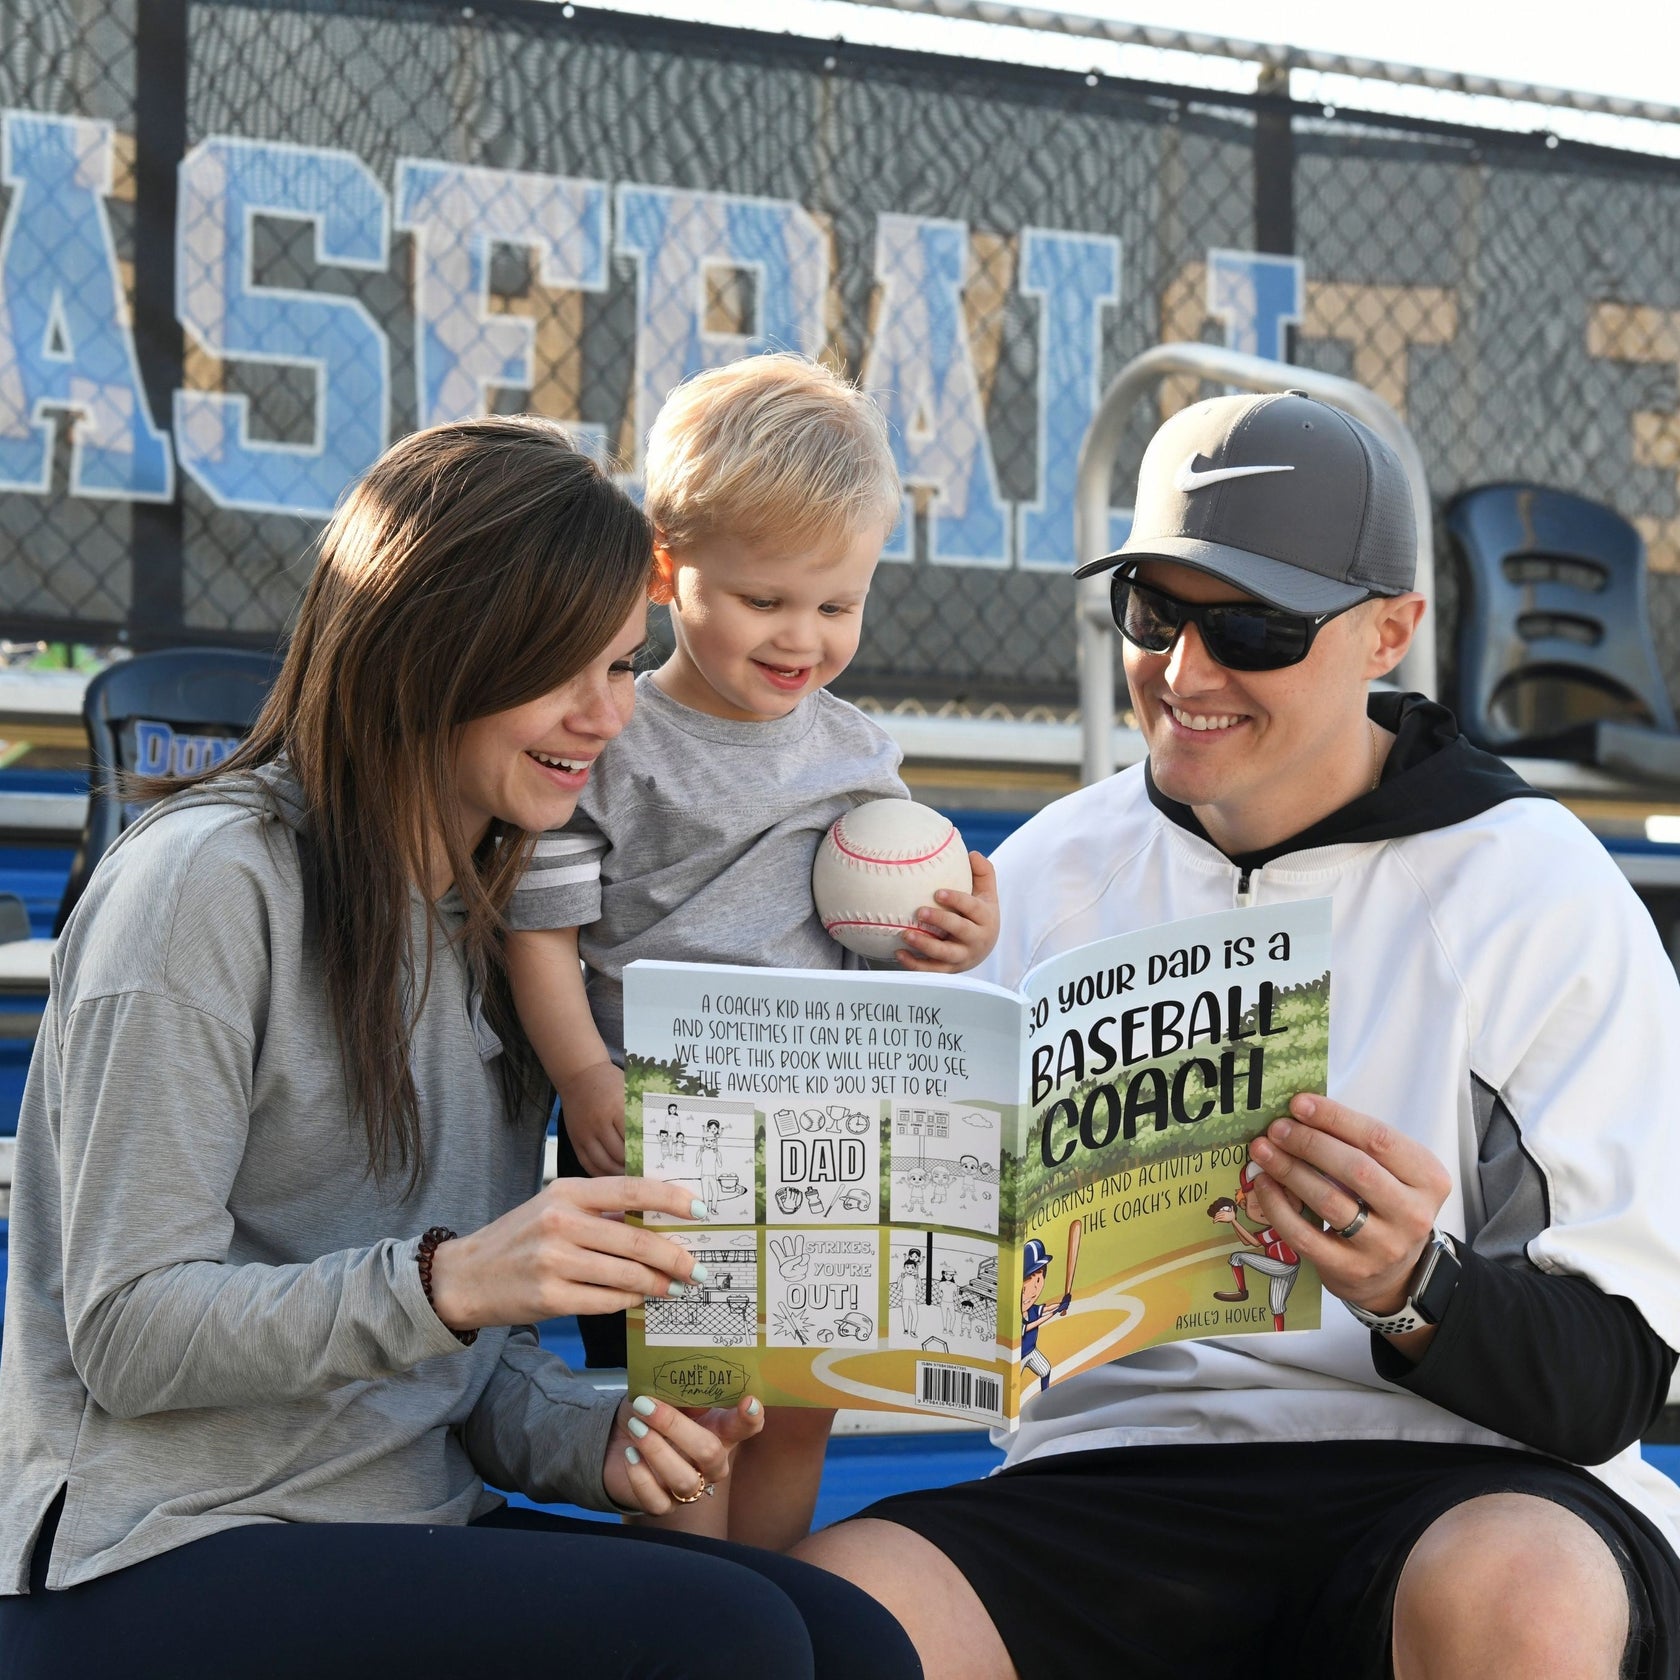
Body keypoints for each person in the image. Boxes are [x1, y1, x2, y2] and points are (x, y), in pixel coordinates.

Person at [0, 417, 920, 1680]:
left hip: (410, 1521)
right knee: (733, 1638)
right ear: (442, 648)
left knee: (850, 1638)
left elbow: (457, 1372)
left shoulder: (495, 917)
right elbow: (127, 1333)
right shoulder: (207, 883)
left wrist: (604, 1437)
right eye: (574, 675)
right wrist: (449, 1280)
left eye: (621, 668)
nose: (609, 720)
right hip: (157, 1548)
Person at [796, 391, 1680, 1680]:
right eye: (1154, 612)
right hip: (1116, 1467)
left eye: (1254, 626)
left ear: (1392, 632)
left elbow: (1614, 1379)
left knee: (1519, 1600)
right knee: (832, 1616)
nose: (1186, 673)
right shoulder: (1051, 868)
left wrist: (1413, 1286)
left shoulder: (1530, 882)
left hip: (1460, 1477)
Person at [504, 355, 999, 1550]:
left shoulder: (859, 753)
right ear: (671, 572)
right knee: (689, 1417)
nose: (805, 638)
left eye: (838, 606)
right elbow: (542, 936)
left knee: (799, 1413)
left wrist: (957, 940)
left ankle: (773, 1604)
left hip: (825, 1144)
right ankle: (699, 1621)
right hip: (661, 1148)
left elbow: (884, 943)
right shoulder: (613, 735)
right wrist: (583, 1081)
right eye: (768, 601)